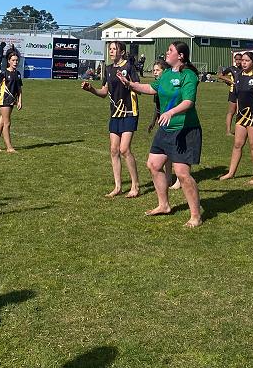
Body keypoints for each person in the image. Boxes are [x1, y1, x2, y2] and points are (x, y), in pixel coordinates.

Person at [119, 42, 203, 228]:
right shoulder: (166, 75)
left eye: (171, 50)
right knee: (154, 164)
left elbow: (189, 101)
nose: (167, 52)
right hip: (166, 129)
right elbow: (151, 89)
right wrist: (131, 84)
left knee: (182, 174)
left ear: (180, 56)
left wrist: (171, 112)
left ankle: (196, 215)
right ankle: (164, 205)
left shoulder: (188, 75)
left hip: (185, 129)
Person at [81, 41, 141, 198]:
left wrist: (128, 84)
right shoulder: (108, 69)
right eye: (110, 49)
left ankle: (135, 185)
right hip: (115, 113)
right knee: (114, 150)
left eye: (115, 49)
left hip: (129, 111)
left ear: (122, 52)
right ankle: (118, 187)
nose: (111, 51)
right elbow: (104, 92)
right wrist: (91, 89)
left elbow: (138, 88)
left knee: (124, 149)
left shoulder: (129, 67)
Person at [219, 51, 253, 184]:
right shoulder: (238, 75)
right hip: (241, 116)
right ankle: (231, 173)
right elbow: (239, 96)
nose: (243, 63)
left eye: (247, 60)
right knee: (237, 144)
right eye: (242, 60)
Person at [146, 59, 180, 190]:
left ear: (164, 71)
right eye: (153, 70)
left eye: (157, 70)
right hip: (163, 121)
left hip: (175, 120)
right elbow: (158, 107)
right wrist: (153, 121)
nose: (155, 72)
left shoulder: (170, 84)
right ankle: (168, 177)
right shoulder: (158, 86)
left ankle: (178, 179)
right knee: (166, 150)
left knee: (176, 149)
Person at [0, 52, 23, 152]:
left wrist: (19, 100)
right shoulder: (4, 73)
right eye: (13, 60)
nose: (15, 62)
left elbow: (19, 89)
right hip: (4, 101)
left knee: (1, 123)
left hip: (12, 101)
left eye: (17, 60)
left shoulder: (18, 74)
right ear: (9, 61)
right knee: (7, 123)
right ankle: (9, 147)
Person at [216, 52, 242, 136]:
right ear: (234, 60)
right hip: (233, 93)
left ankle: (239, 131)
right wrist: (229, 81)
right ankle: (228, 131)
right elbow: (220, 76)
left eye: (240, 60)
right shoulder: (231, 68)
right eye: (236, 59)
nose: (238, 61)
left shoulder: (244, 68)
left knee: (240, 112)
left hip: (242, 93)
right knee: (231, 112)